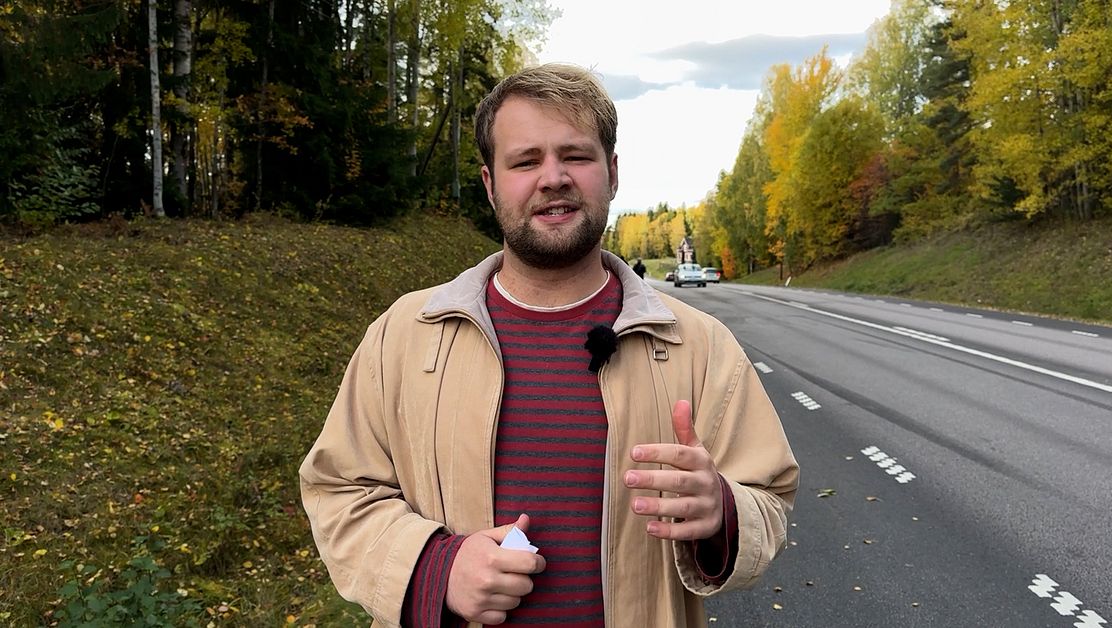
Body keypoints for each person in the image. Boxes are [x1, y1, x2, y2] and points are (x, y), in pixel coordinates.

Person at [299, 63, 798, 628]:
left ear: (612, 173)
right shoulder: (404, 336)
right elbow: (337, 488)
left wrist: (721, 511)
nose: (553, 178)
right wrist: (436, 569)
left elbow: (769, 496)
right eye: (526, 160)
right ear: (490, 184)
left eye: (576, 156)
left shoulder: (699, 347)